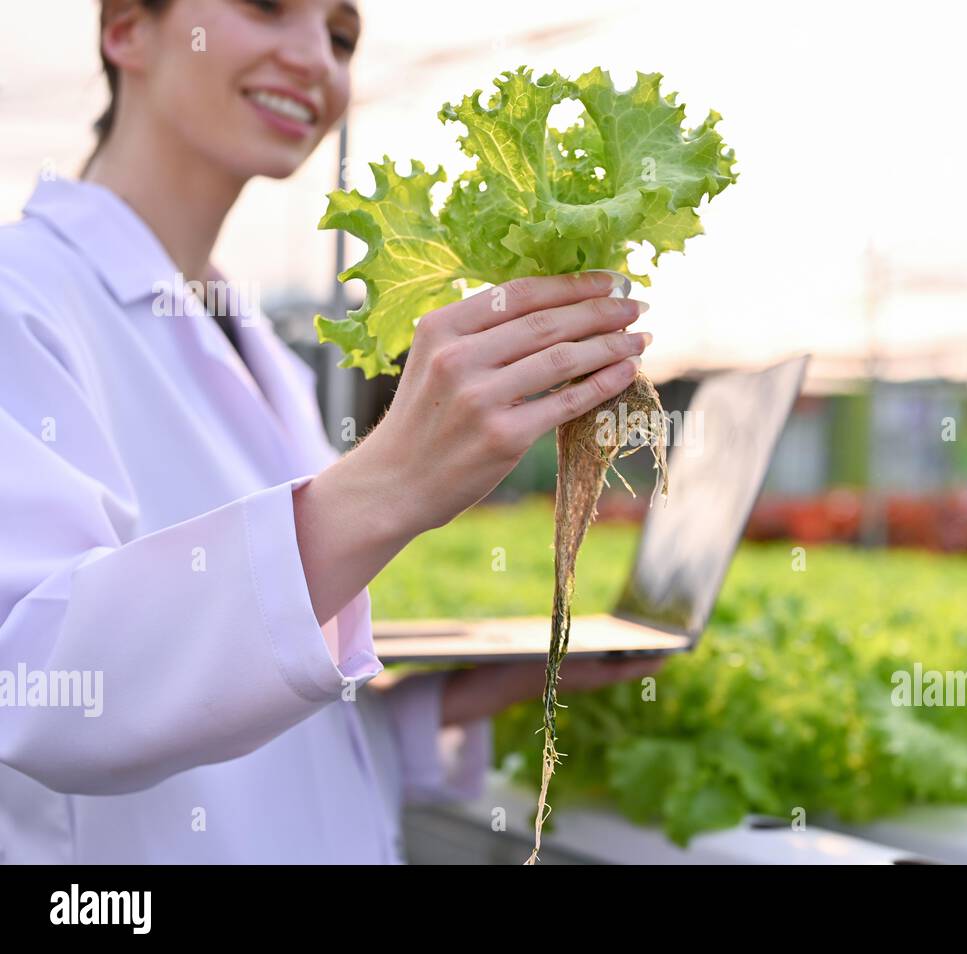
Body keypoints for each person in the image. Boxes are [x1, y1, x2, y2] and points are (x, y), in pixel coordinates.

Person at [0, 0, 661, 863]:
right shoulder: (22, 298)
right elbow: (38, 684)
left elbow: (259, 709)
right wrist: (388, 483)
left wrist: (448, 704)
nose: (315, 57)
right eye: (269, 8)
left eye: (341, 36)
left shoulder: (260, 348)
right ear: (126, 27)